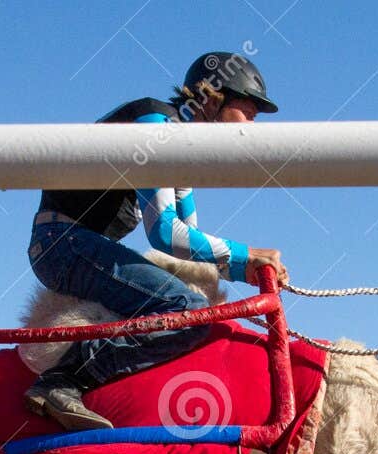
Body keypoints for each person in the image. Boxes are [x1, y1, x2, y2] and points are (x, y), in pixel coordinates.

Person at [25, 52, 289, 431]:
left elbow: (188, 240)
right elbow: (165, 234)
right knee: (187, 309)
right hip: (64, 244)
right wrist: (244, 256)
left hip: (71, 244)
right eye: (246, 113)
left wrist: (241, 266)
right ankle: (63, 381)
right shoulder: (157, 124)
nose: (251, 126)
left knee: (188, 297)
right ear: (212, 98)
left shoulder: (179, 148)